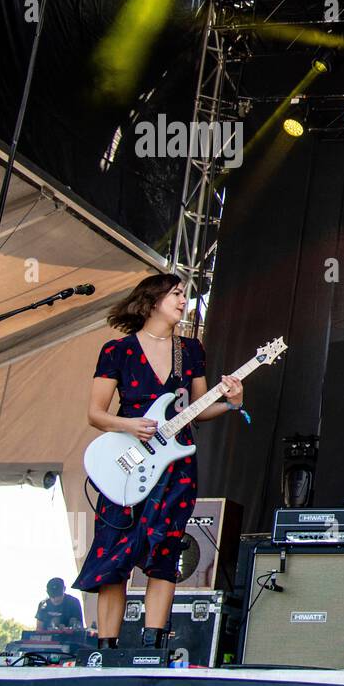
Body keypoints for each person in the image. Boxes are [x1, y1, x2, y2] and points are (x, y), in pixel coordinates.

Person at [73, 274, 245, 650]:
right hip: (128, 459)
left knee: (166, 550)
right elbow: (95, 414)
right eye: (177, 294)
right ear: (152, 301)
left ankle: (152, 645)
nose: (184, 301)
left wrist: (232, 401)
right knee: (114, 550)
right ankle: (107, 649)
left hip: (176, 466)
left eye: (184, 295)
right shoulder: (117, 350)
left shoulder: (190, 350)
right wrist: (129, 424)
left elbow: (198, 410)